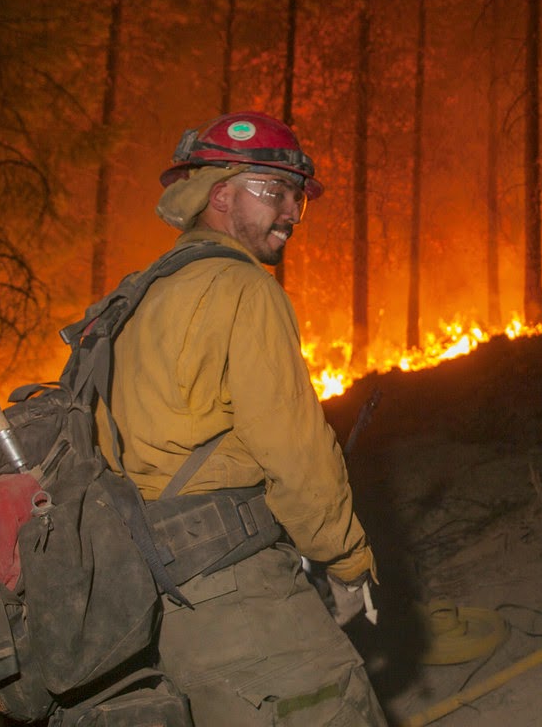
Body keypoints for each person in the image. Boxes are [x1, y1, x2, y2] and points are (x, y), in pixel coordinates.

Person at [101, 111, 388, 727]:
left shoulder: (136, 295)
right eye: (273, 191)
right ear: (220, 194)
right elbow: (296, 451)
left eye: (295, 198)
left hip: (151, 602)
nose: (289, 211)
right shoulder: (242, 289)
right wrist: (345, 562)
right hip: (234, 596)